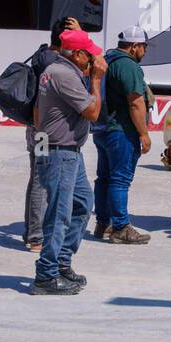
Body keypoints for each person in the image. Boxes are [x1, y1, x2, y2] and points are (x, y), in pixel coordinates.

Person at [33, 29, 108, 295]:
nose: (93, 60)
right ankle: (46, 274)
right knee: (59, 214)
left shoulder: (55, 69)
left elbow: (38, 111)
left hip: (61, 148)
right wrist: (97, 80)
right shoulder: (65, 75)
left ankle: (61, 261)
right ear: (76, 54)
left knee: (82, 204)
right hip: (60, 151)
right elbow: (93, 112)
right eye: (89, 55)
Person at [92, 26, 153, 244]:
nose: (145, 52)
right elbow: (136, 102)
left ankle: (103, 223)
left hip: (102, 129)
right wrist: (144, 134)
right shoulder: (128, 66)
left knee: (104, 178)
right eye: (144, 47)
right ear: (134, 46)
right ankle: (120, 227)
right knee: (120, 180)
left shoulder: (107, 60)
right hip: (121, 131)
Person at [25, 17, 81, 251]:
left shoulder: (42, 54)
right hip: (44, 129)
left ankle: (32, 231)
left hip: (37, 127)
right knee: (41, 180)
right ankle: (37, 236)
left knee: (37, 177)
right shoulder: (52, 61)